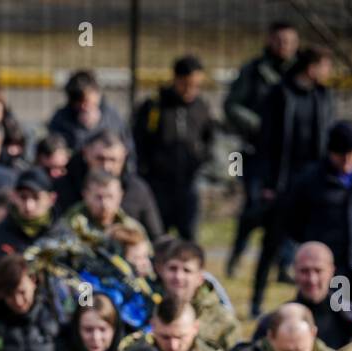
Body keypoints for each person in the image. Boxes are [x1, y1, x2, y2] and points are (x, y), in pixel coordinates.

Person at [252, 47, 334, 316]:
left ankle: (321, 304)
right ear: (311, 67)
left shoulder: (323, 96)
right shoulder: (280, 94)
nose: (328, 72)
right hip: (282, 185)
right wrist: (266, 182)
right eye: (325, 65)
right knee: (271, 245)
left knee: (317, 251)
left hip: (313, 187)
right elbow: (265, 141)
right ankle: (256, 302)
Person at [225, 21, 300, 277]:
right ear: (269, 40)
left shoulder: (300, 74)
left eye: (289, 42)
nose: (284, 47)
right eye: (279, 41)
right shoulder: (254, 71)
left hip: (291, 157)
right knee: (254, 209)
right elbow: (232, 106)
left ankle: (285, 265)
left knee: (291, 210)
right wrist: (260, 125)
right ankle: (236, 257)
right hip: (257, 154)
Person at [285, 122, 352, 281]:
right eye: (341, 155)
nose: (347, 160)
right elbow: (292, 217)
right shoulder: (310, 178)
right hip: (327, 269)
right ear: (330, 153)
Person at [133, 55, 214, 239]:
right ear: (176, 79)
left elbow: (210, 139)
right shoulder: (154, 106)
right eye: (186, 84)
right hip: (158, 186)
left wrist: (201, 162)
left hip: (188, 185)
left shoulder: (201, 107)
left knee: (189, 237)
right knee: (157, 236)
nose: (190, 90)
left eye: (196, 85)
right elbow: (139, 141)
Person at [52, 129, 164, 243]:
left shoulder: (136, 190)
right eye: (100, 158)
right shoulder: (63, 187)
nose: (106, 166)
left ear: (124, 156)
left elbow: (156, 236)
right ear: (86, 154)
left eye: (113, 160)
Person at [0, 168, 56, 301]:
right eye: (23, 197)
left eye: (36, 197)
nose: (28, 205)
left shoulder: (63, 239)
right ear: (13, 196)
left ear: (51, 199)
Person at [149, 239, 238, 351]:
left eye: (187, 270)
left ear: (200, 278)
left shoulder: (222, 320)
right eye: (173, 268)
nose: (178, 276)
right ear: (161, 271)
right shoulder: (145, 307)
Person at [0, 253, 59, 351]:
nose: (18, 301)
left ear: (33, 280)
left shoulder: (53, 314)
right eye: (9, 295)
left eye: (22, 292)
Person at [48, 70, 132, 152]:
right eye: (78, 103)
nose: (83, 107)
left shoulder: (112, 116)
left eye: (86, 101)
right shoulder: (61, 119)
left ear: (97, 93)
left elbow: (128, 148)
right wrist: (84, 129)